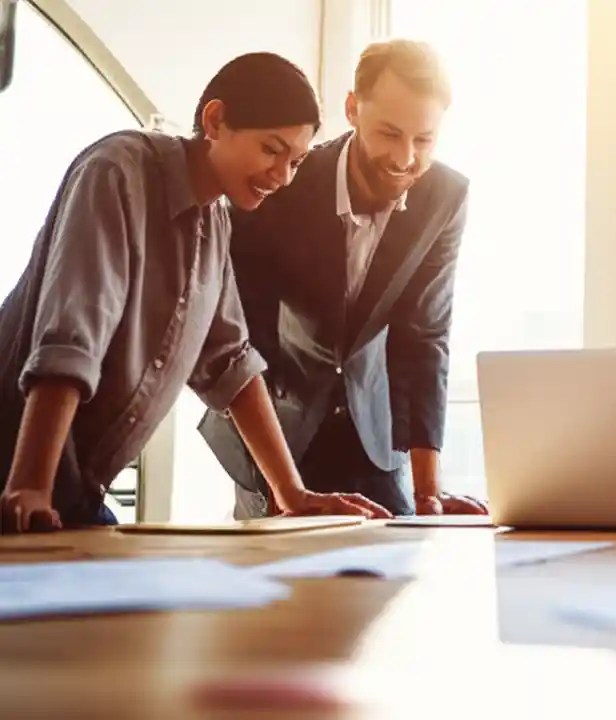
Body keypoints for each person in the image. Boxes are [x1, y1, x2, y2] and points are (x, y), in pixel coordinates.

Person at [0, 52, 392, 533]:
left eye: (296, 161)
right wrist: (30, 485)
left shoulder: (214, 218)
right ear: (216, 120)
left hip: (72, 494)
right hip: (17, 481)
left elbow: (231, 361)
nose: (282, 176)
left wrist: (292, 494)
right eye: (271, 149)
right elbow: (72, 335)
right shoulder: (117, 171)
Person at [199, 40, 485, 518]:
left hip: (373, 433)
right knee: (277, 584)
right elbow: (247, 333)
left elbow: (424, 336)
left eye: (424, 140)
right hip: (278, 425)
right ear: (353, 108)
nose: (404, 157)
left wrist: (428, 490)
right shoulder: (279, 179)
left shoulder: (445, 197)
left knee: (393, 577)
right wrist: (280, 486)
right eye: (389, 133)